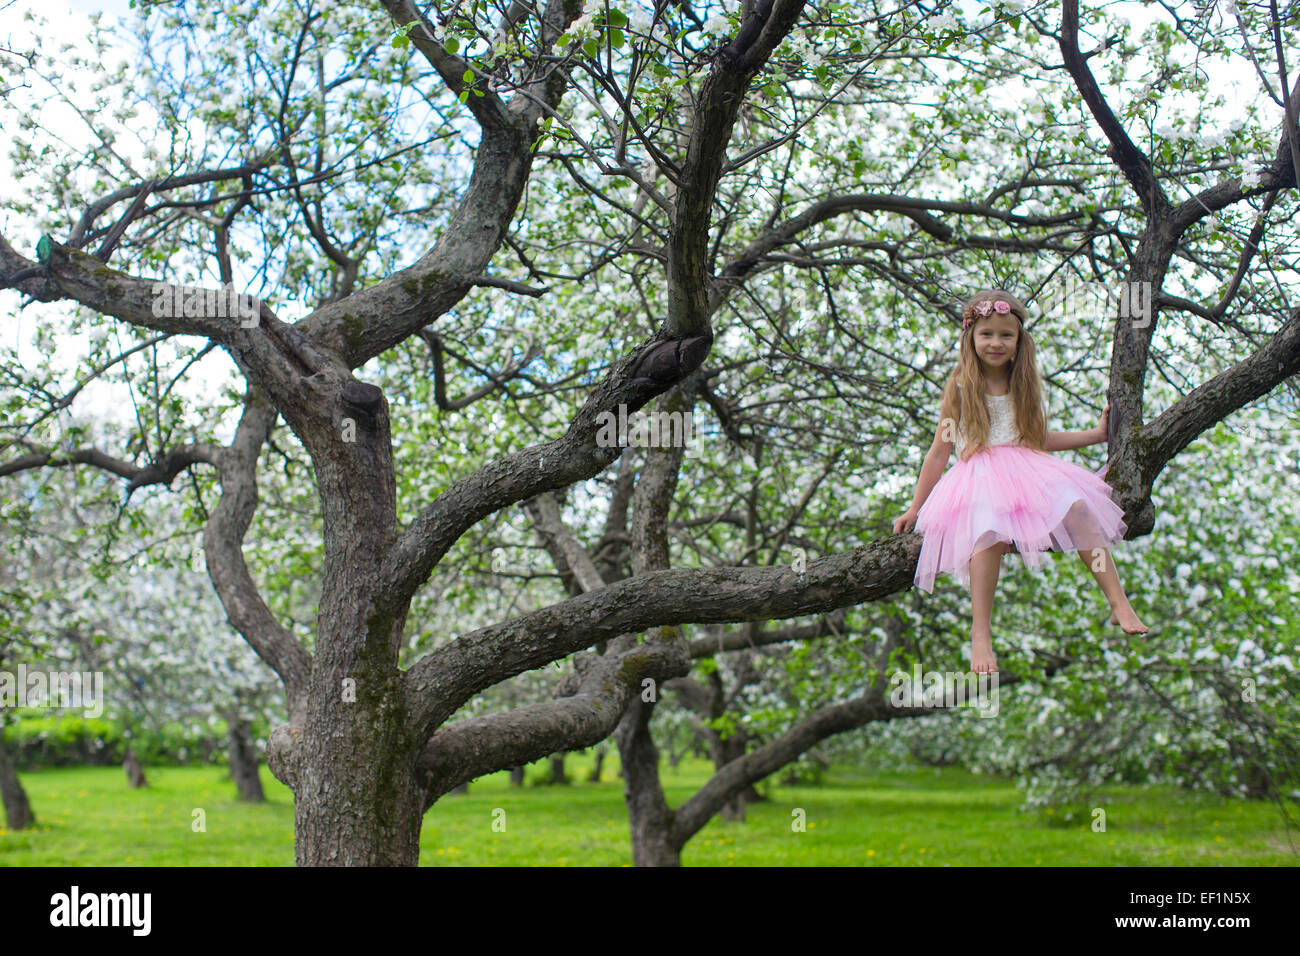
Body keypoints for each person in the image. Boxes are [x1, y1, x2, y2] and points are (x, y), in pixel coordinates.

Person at [892, 289, 1148, 674]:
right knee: (988, 534)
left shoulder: (1024, 382)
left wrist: (1094, 436)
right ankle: (981, 633)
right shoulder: (961, 387)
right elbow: (939, 451)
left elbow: (1034, 439)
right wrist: (916, 507)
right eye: (987, 334)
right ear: (971, 338)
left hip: (1028, 471)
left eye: (1005, 335)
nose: (996, 343)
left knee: (1078, 510)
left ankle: (1117, 600)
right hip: (978, 476)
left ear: (1019, 341)